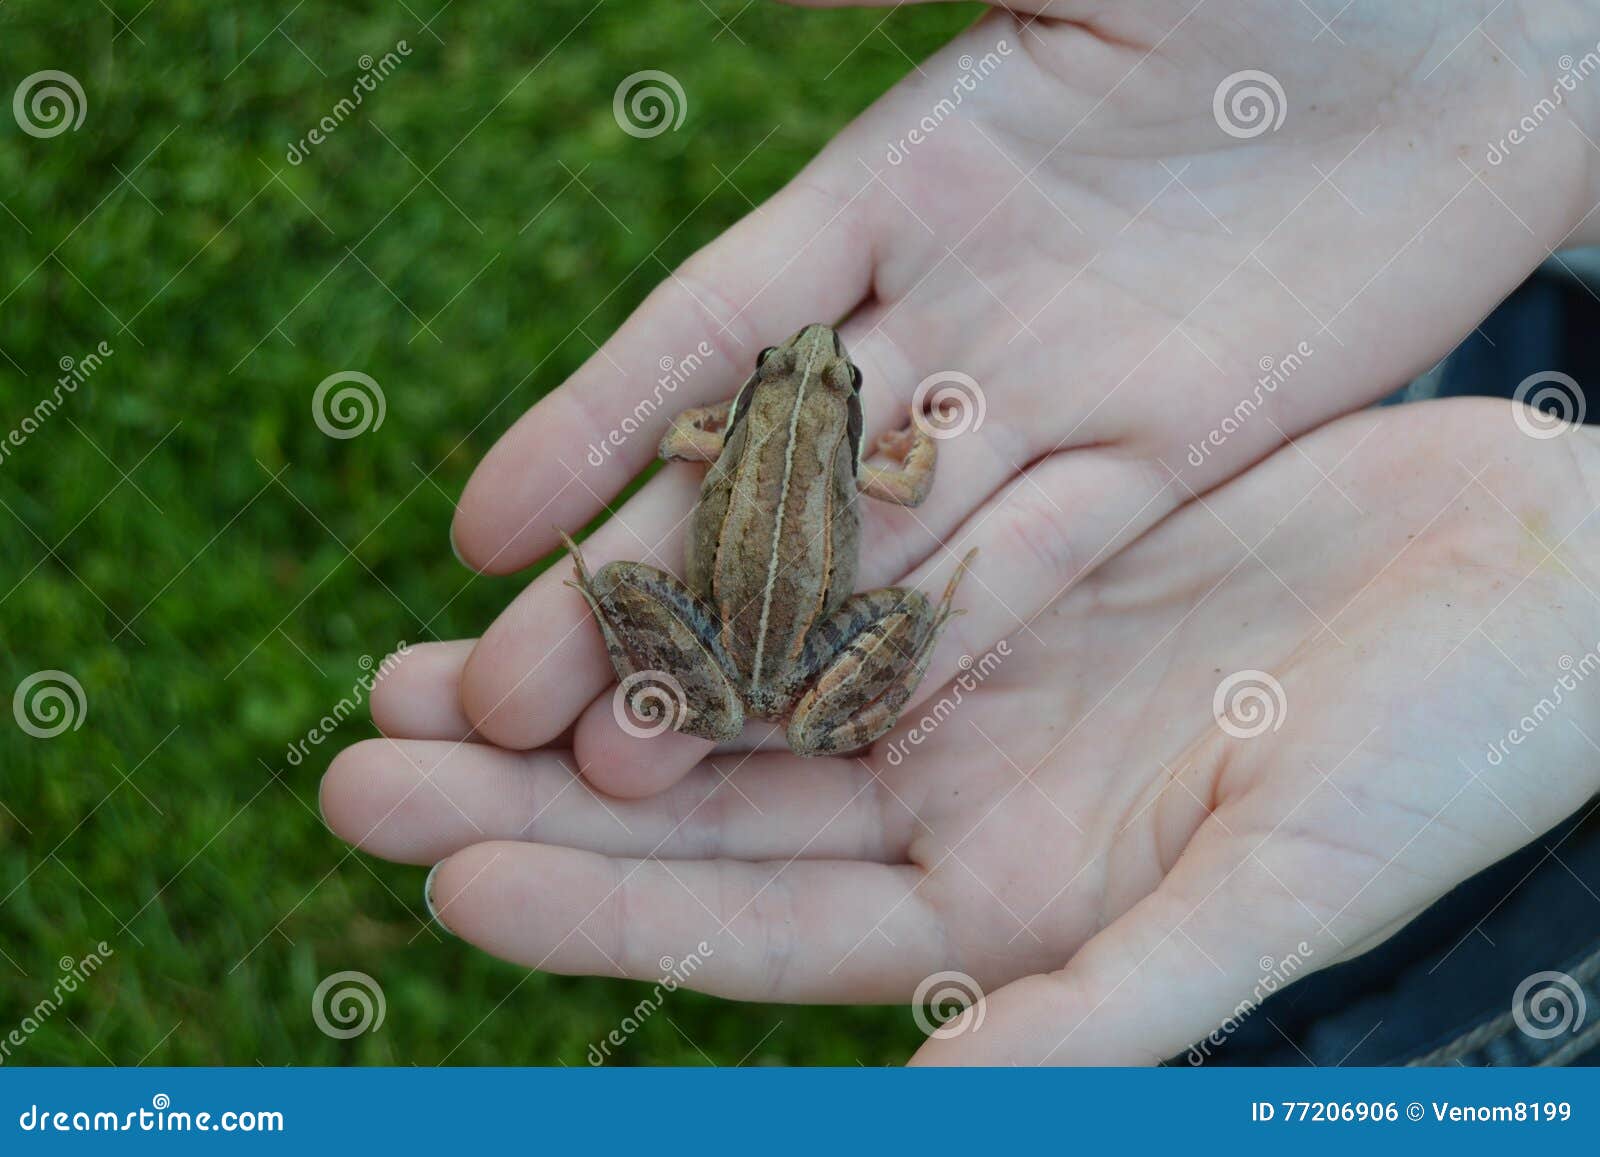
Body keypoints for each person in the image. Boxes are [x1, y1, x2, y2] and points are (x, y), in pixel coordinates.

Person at [321, 0, 1600, 1063]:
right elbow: (909, 482)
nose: (817, 363)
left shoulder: (715, 435)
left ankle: (614, 605)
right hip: (815, 650)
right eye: (805, 370)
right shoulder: (863, 459)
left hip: (718, 650)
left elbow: (672, 444)